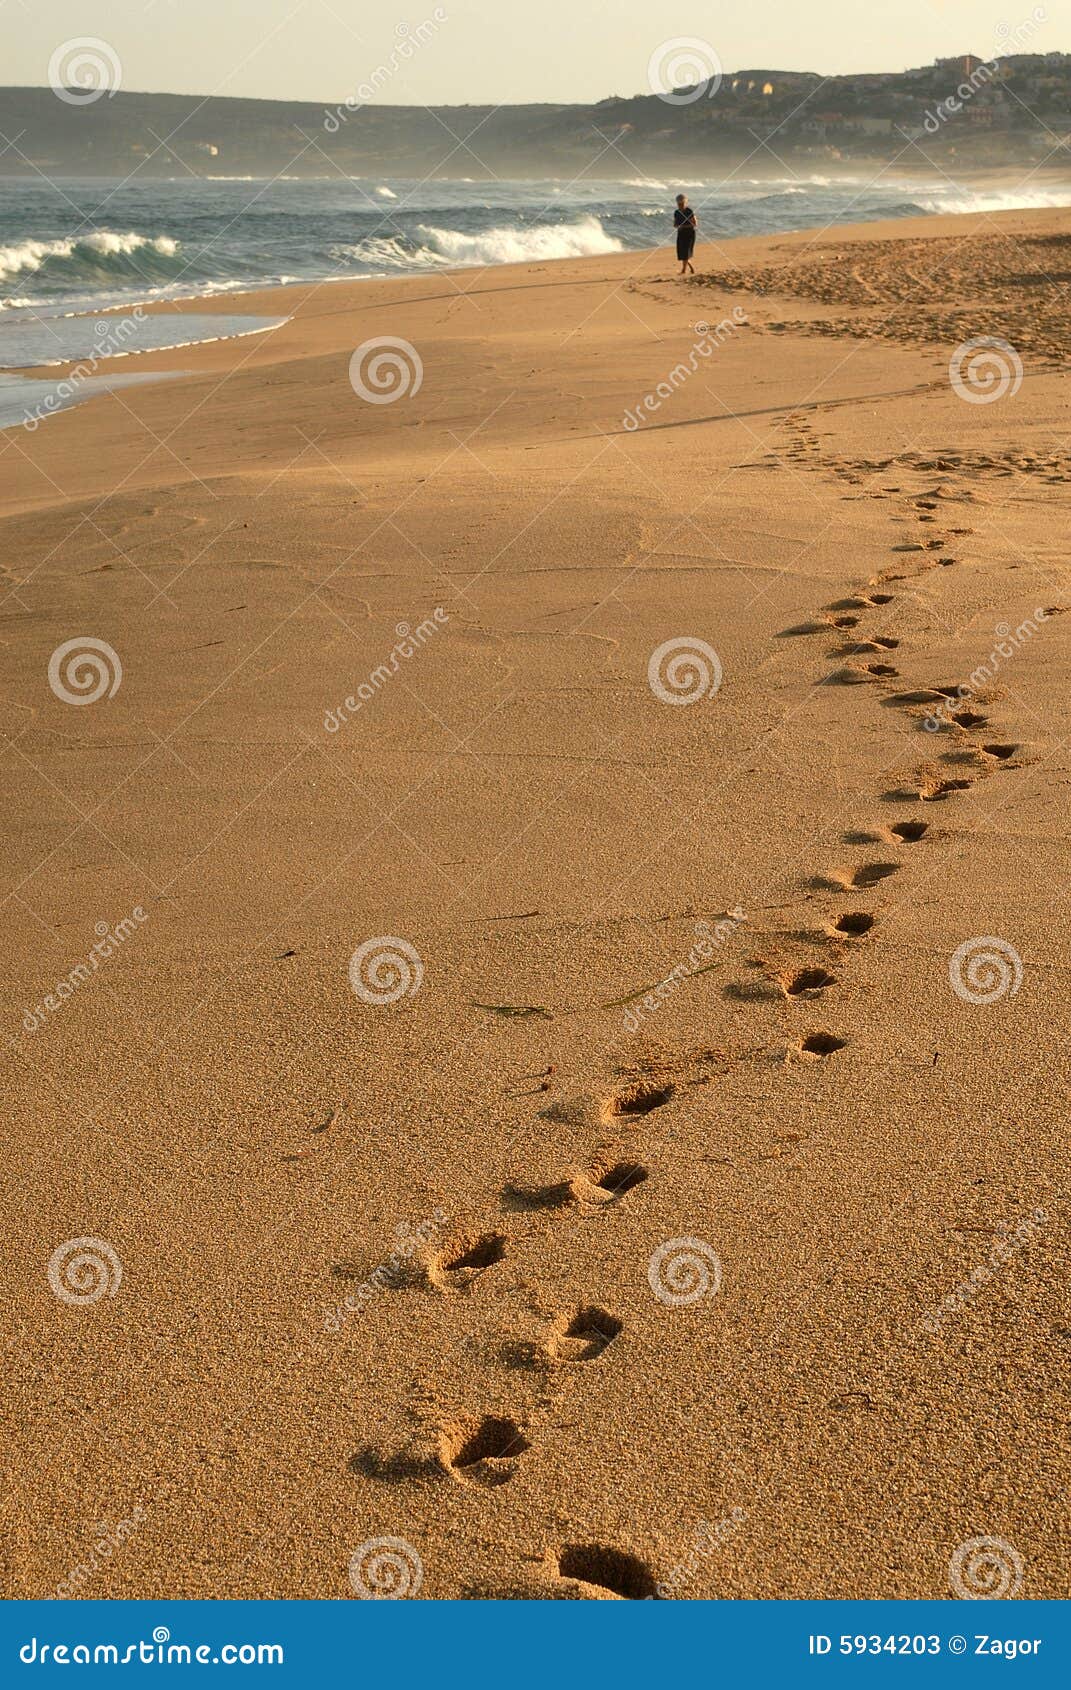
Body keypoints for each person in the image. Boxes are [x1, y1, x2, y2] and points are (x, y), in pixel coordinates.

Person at [674, 193, 697, 275]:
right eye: (679, 204)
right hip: (681, 234)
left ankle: (683, 270)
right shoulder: (676, 212)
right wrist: (678, 226)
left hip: (689, 234)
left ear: (685, 203)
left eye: (682, 203)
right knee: (682, 253)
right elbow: (675, 224)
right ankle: (691, 267)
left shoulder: (689, 211)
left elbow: (695, 224)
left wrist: (683, 226)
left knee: (686, 252)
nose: (680, 205)